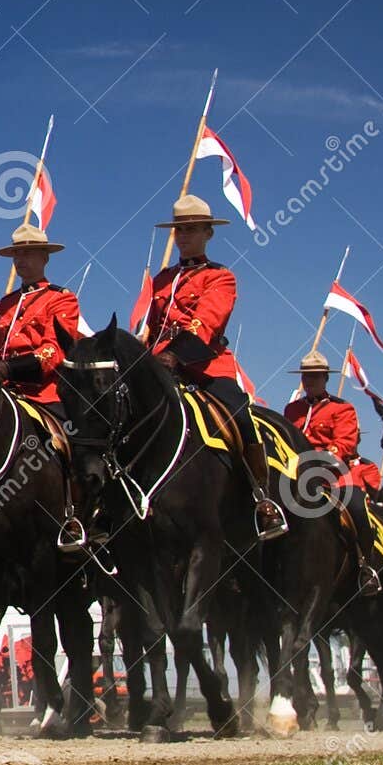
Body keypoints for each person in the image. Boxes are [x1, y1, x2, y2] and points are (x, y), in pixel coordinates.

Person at [146, 195, 287, 540]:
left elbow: (205, 324)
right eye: (179, 229)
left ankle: (262, 499)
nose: (184, 236)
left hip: (204, 367)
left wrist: (173, 357)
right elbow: (152, 328)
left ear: (208, 233)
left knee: (240, 414)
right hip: (159, 366)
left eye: (191, 230)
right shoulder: (162, 279)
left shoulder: (220, 277)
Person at [284, 350, 383, 596]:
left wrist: (317, 465)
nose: (310, 381)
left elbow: (344, 445)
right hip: (295, 474)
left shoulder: (342, 409)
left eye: (315, 376)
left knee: (359, 510)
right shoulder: (291, 410)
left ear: (326, 378)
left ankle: (366, 567)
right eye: (306, 376)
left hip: (333, 477)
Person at [0, 224, 84, 422]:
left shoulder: (61, 298)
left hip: (43, 394)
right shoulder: (4, 304)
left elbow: (53, 351)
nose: (20, 259)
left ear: (44, 257)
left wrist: (9, 368)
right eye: (17, 254)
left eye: (27, 253)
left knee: (72, 445)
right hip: (2, 391)